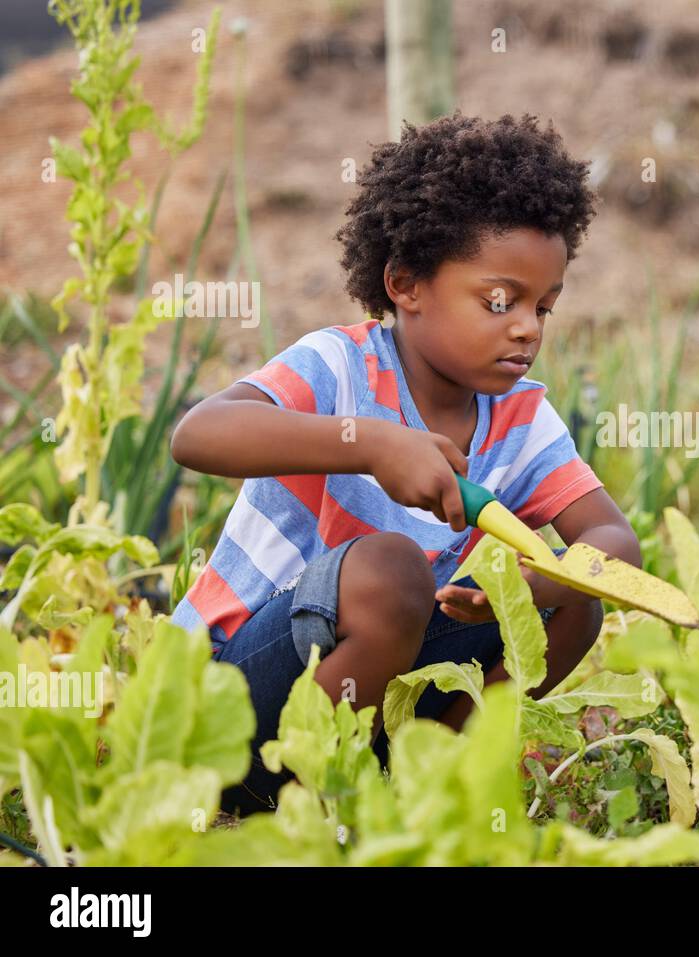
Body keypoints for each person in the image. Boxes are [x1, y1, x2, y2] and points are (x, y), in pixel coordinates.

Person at [170, 113, 639, 815]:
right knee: (391, 571)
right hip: (228, 701)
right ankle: (297, 806)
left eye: (546, 307)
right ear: (406, 283)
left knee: (579, 601)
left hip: (375, 700)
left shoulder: (523, 420)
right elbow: (199, 434)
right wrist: (373, 443)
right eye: (501, 300)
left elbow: (614, 540)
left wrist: (532, 584)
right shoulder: (340, 365)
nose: (528, 327)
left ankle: (427, 787)